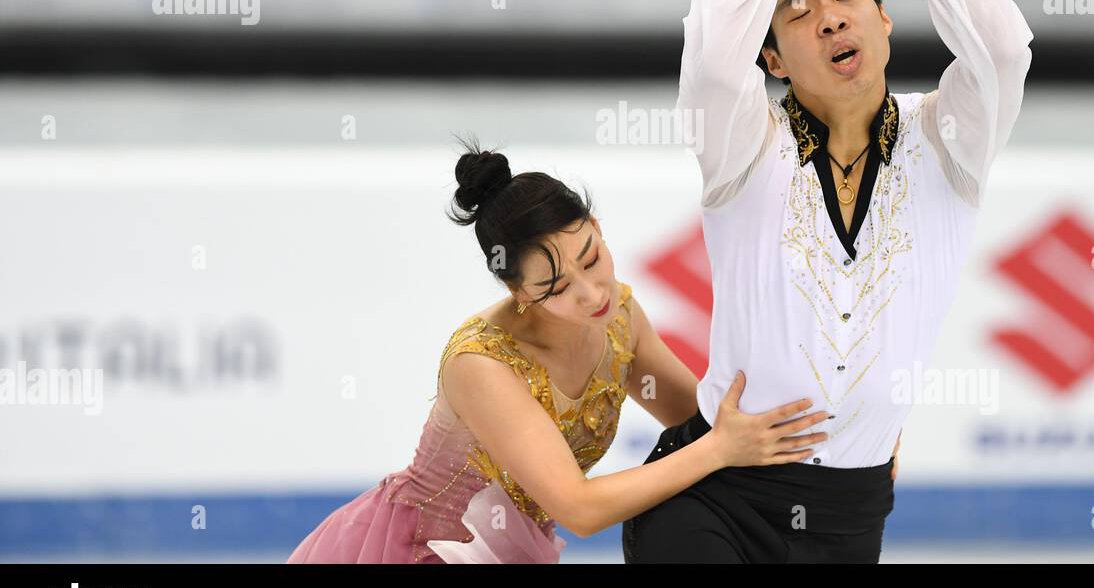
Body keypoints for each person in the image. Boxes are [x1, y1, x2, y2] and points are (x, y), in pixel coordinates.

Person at [622, 0, 1034, 563]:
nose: (828, 18)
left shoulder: (948, 143)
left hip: (850, 513)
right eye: (797, 12)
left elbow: (1001, 51)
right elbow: (711, 63)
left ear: (883, 21)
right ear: (772, 59)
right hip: (713, 490)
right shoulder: (744, 145)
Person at [287, 138, 828, 562]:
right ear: (518, 293)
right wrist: (718, 450)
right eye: (555, 289)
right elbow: (579, 508)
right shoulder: (482, 364)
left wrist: (837, 446)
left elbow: (702, 418)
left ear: (596, 226)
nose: (591, 294)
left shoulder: (620, 315)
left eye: (591, 259)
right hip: (419, 553)